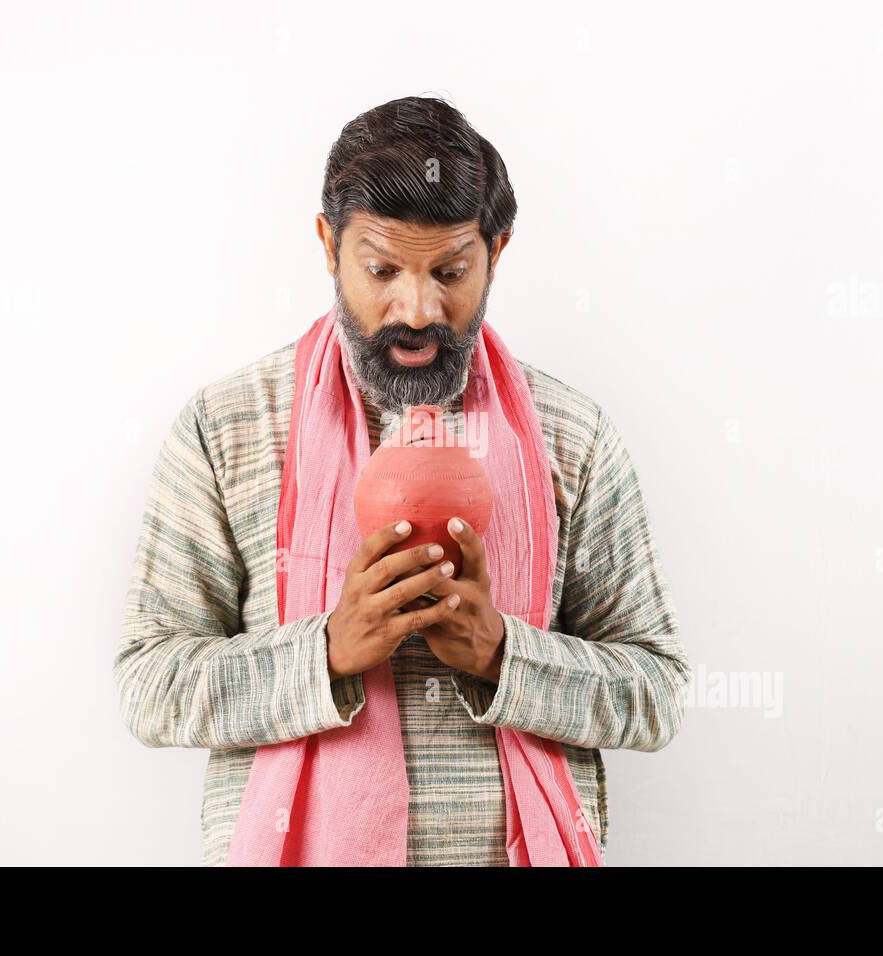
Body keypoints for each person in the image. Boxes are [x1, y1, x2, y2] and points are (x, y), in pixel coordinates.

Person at [114, 94, 691, 866]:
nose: (417, 310)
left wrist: (502, 655)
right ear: (329, 245)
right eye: (381, 269)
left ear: (497, 251)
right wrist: (326, 652)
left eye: (450, 272)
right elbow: (149, 682)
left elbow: (657, 691)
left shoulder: (571, 434)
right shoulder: (228, 428)